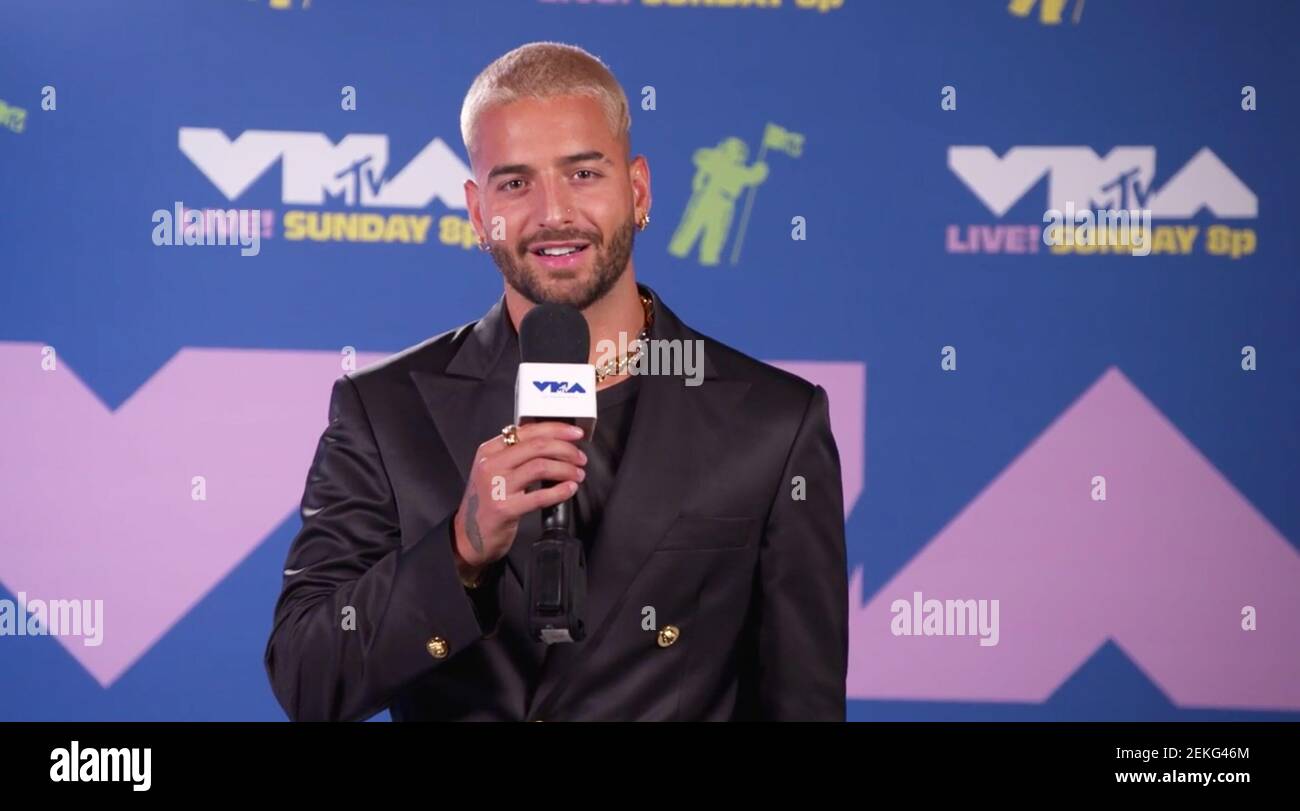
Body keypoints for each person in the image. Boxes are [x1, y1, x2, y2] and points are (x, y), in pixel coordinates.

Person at [264, 41, 847, 721]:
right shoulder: (384, 410)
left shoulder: (775, 423)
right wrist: (459, 550)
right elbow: (307, 675)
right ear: (480, 215)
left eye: (582, 174)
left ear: (638, 191)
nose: (553, 214)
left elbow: (802, 705)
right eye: (515, 183)